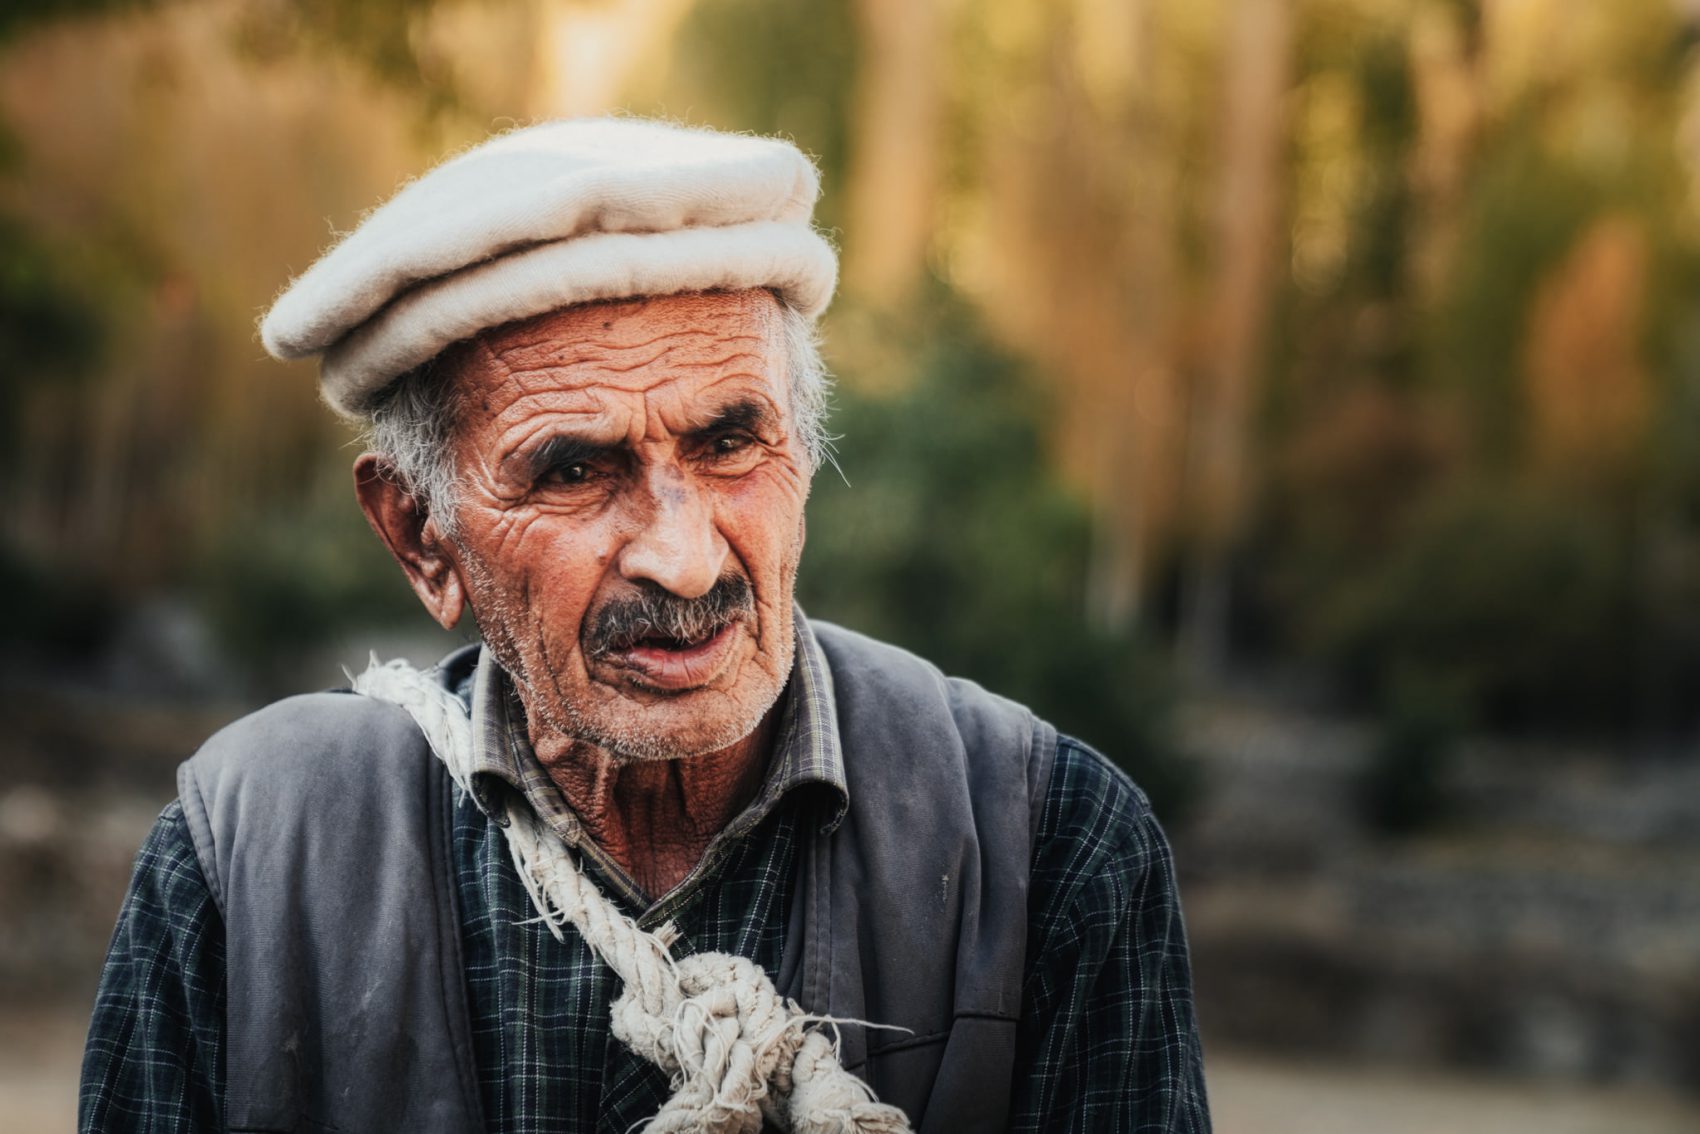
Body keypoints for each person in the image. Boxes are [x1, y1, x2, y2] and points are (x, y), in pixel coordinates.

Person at [79, 118, 1210, 1134]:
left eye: (728, 443)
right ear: (420, 536)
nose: (681, 556)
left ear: (802, 456)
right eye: (573, 468)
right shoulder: (243, 856)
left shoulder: (1050, 845)